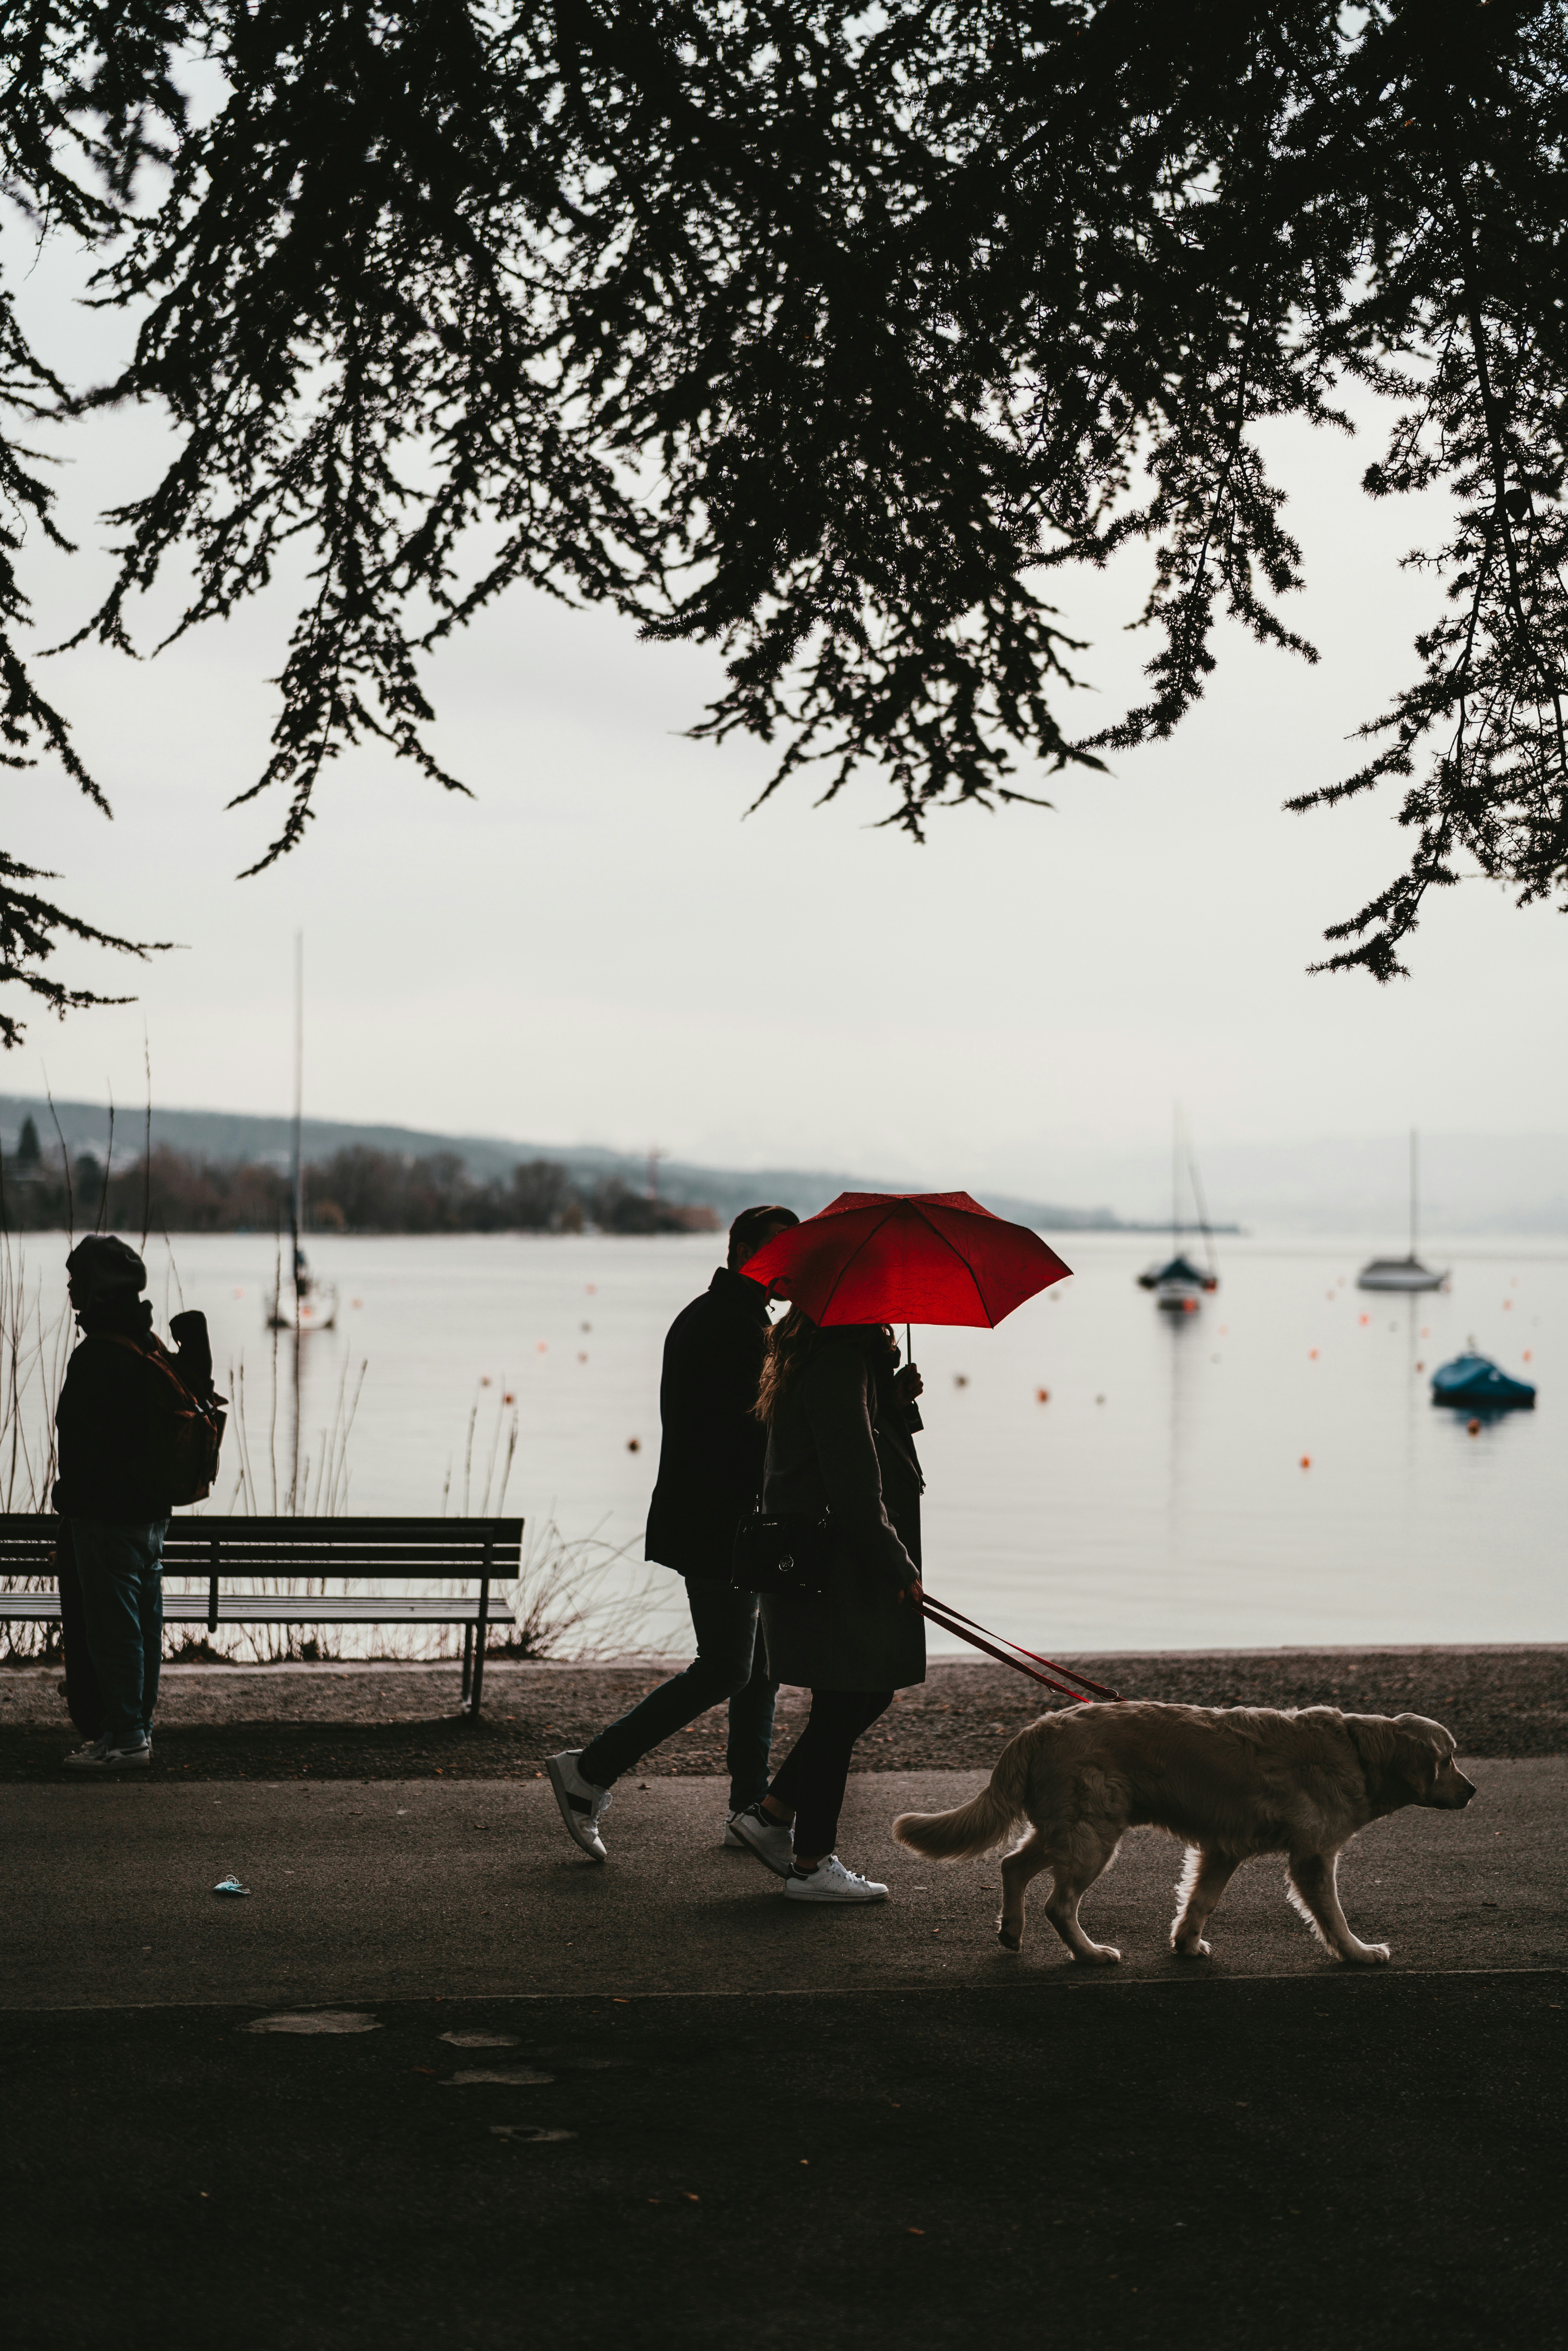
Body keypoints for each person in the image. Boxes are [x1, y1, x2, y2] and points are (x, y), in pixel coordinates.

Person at [546, 1202, 800, 1860]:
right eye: (778, 1249)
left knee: (760, 1667)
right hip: (720, 1522)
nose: (789, 1262)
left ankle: (750, 1808)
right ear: (742, 1248)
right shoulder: (736, 1327)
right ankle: (590, 1772)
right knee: (727, 1666)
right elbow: (761, 1436)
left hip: (722, 1517)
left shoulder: (720, 1316)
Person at [728, 1309, 925, 1902]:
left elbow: (856, 1449)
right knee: (847, 1696)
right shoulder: (838, 1362)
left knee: (863, 1692)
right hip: (841, 1563)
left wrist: (893, 1399)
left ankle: (773, 1812)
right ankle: (811, 1864)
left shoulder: (832, 1357)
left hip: (834, 1558)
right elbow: (854, 1486)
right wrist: (898, 1564)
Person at [54, 1235, 216, 1773]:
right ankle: (134, 1731)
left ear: (97, 1289)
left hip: (106, 1518)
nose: (72, 1290)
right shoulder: (145, 1345)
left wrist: (70, 1504)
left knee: (113, 1631)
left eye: (78, 1281)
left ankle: (124, 1738)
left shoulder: (98, 1356)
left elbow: (80, 1445)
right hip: (150, 1517)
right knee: (142, 1625)